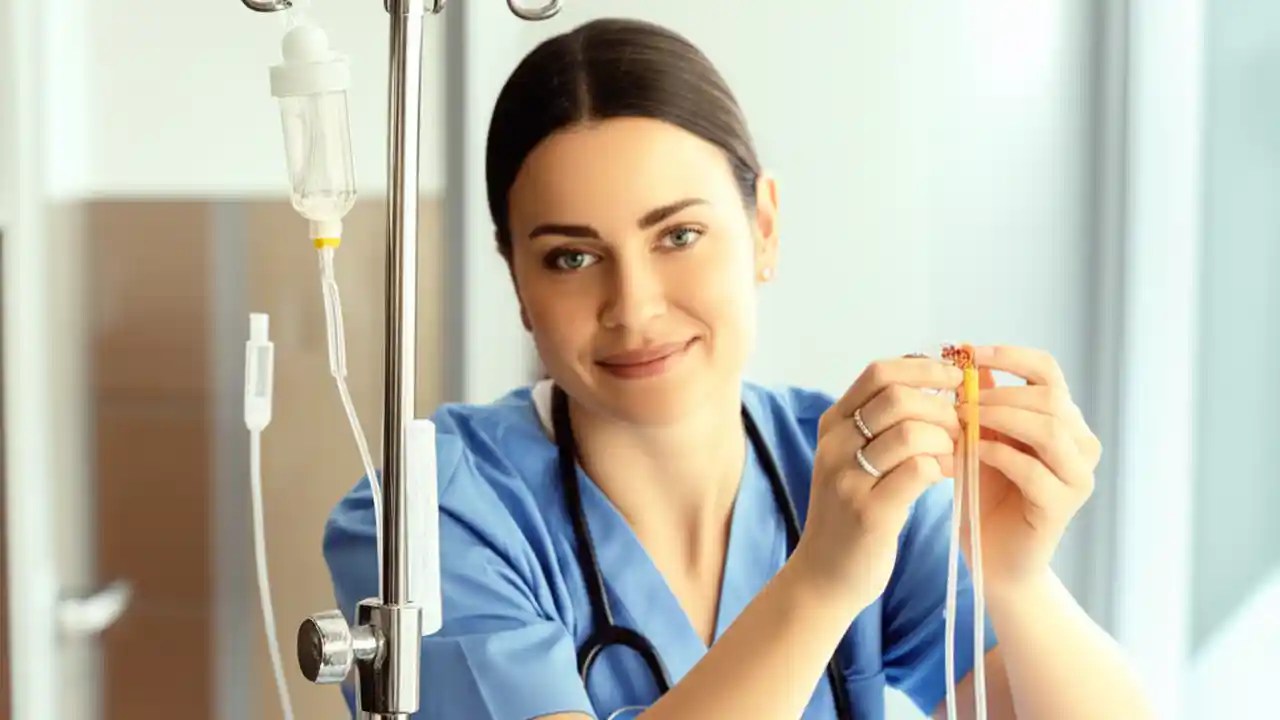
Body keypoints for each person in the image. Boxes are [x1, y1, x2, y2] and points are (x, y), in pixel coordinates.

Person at [323, 17, 1152, 719]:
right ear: (517, 284)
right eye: (572, 258)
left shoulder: (842, 471)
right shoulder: (429, 520)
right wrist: (821, 581)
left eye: (678, 236)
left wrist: (1015, 577)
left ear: (764, 229)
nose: (634, 306)